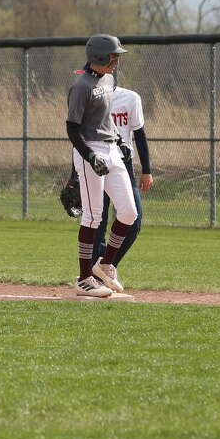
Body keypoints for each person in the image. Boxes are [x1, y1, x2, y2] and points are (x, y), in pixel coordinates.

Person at [66, 34, 139, 298]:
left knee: (129, 212)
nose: (116, 61)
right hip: (90, 150)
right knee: (93, 216)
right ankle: (84, 278)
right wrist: (88, 155)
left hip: (110, 149)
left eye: (118, 56)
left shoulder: (108, 79)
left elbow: (105, 117)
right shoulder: (81, 86)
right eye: (113, 56)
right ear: (98, 55)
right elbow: (72, 128)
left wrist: (118, 140)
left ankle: (105, 264)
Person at [90, 85, 154, 269]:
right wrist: (74, 177)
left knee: (133, 220)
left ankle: (107, 265)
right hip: (96, 163)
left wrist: (146, 170)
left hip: (123, 163)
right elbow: (78, 137)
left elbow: (140, 134)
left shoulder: (130, 97)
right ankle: (95, 275)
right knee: (97, 223)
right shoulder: (87, 97)